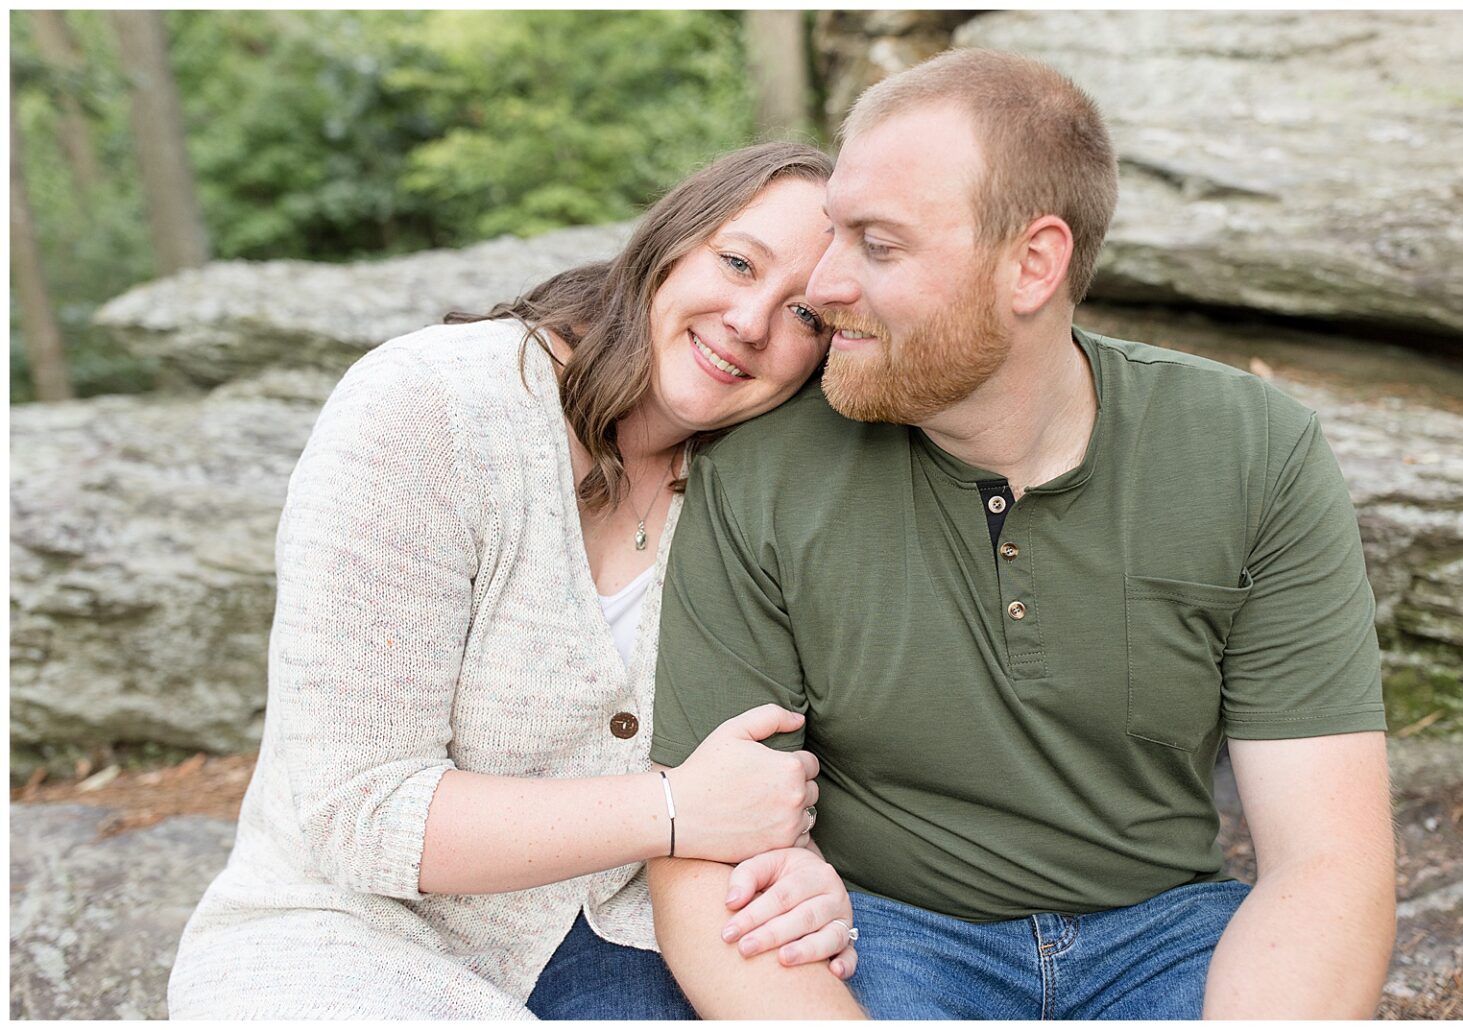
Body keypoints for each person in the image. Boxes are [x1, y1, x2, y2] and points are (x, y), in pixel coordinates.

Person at [648, 50, 1396, 1020]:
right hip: (886, 934)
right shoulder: (760, 469)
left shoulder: (1252, 450)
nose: (822, 285)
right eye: (834, 233)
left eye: (877, 245)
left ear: (1033, 264)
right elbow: (711, 869)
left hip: (1168, 935)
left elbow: (1328, 862)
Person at [167, 141, 862, 1020]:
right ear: (667, 244)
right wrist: (675, 809)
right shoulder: (429, 408)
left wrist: (798, 871)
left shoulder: (762, 479)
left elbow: (777, 766)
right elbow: (359, 813)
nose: (751, 321)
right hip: (349, 938)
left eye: (804, 314)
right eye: (736, 262)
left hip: (629, 933)